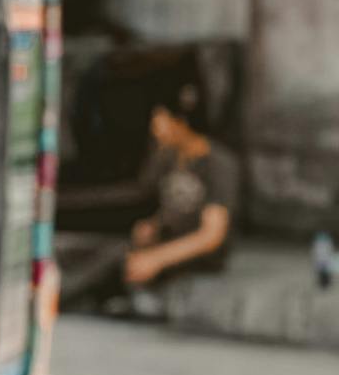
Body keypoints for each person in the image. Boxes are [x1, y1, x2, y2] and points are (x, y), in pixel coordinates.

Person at [64, 85, 237, 312]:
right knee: (97, 252)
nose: (155, 128)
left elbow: (210, 236)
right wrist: (154, 225)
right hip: (164, 240)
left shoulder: (218, 164)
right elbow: (148, 195)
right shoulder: (168, 156)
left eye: (160, 120)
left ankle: (56, 297)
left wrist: (156, 259)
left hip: (195, 255)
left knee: (116, 259)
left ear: (180, 122)